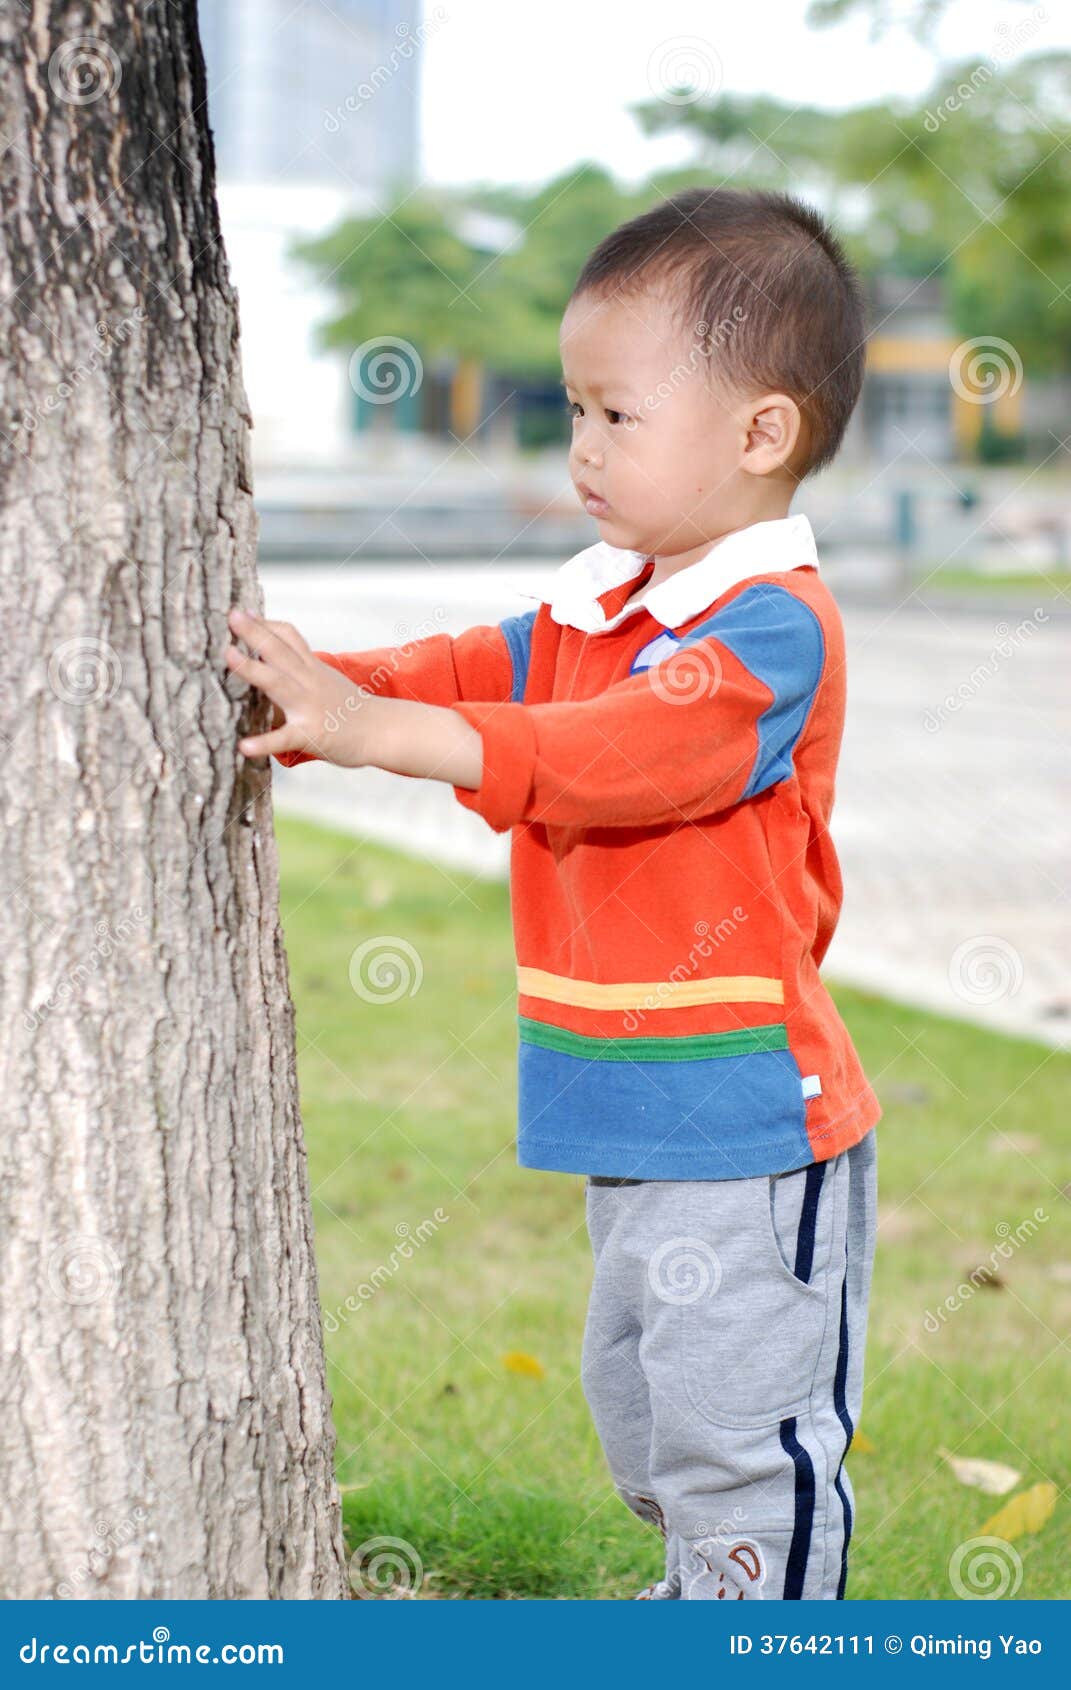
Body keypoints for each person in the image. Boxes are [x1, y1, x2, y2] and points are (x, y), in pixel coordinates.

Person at [224, 186, 881, 1601]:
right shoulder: (605, 606)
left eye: (617, 416)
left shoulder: (767, 629)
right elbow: (471, 665)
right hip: (627, 1110)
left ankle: (767, 1626)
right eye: (574, 410)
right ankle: (701, 1589)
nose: (580, 448)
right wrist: (333, 679)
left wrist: (376, 734)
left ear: (762, 433)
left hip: (753, 1125)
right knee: (641, 1402)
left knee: (739, 1427)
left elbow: (615, 756)